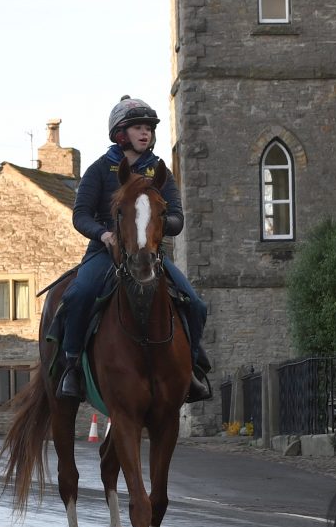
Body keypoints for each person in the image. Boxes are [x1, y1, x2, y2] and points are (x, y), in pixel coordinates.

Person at [49, 96, 213, 404]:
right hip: (105, 250)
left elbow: (177, 216)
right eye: (138, 127)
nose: (145, 133)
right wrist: (104, 234)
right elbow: (80, 214)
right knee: (79, 294)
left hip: (149, 252)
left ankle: (191, 367)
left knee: (195, 303)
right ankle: (71, 365)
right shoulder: (101, 169)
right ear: (121, 133)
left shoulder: (159, 171)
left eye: (149, 129)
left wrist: (161, 221)